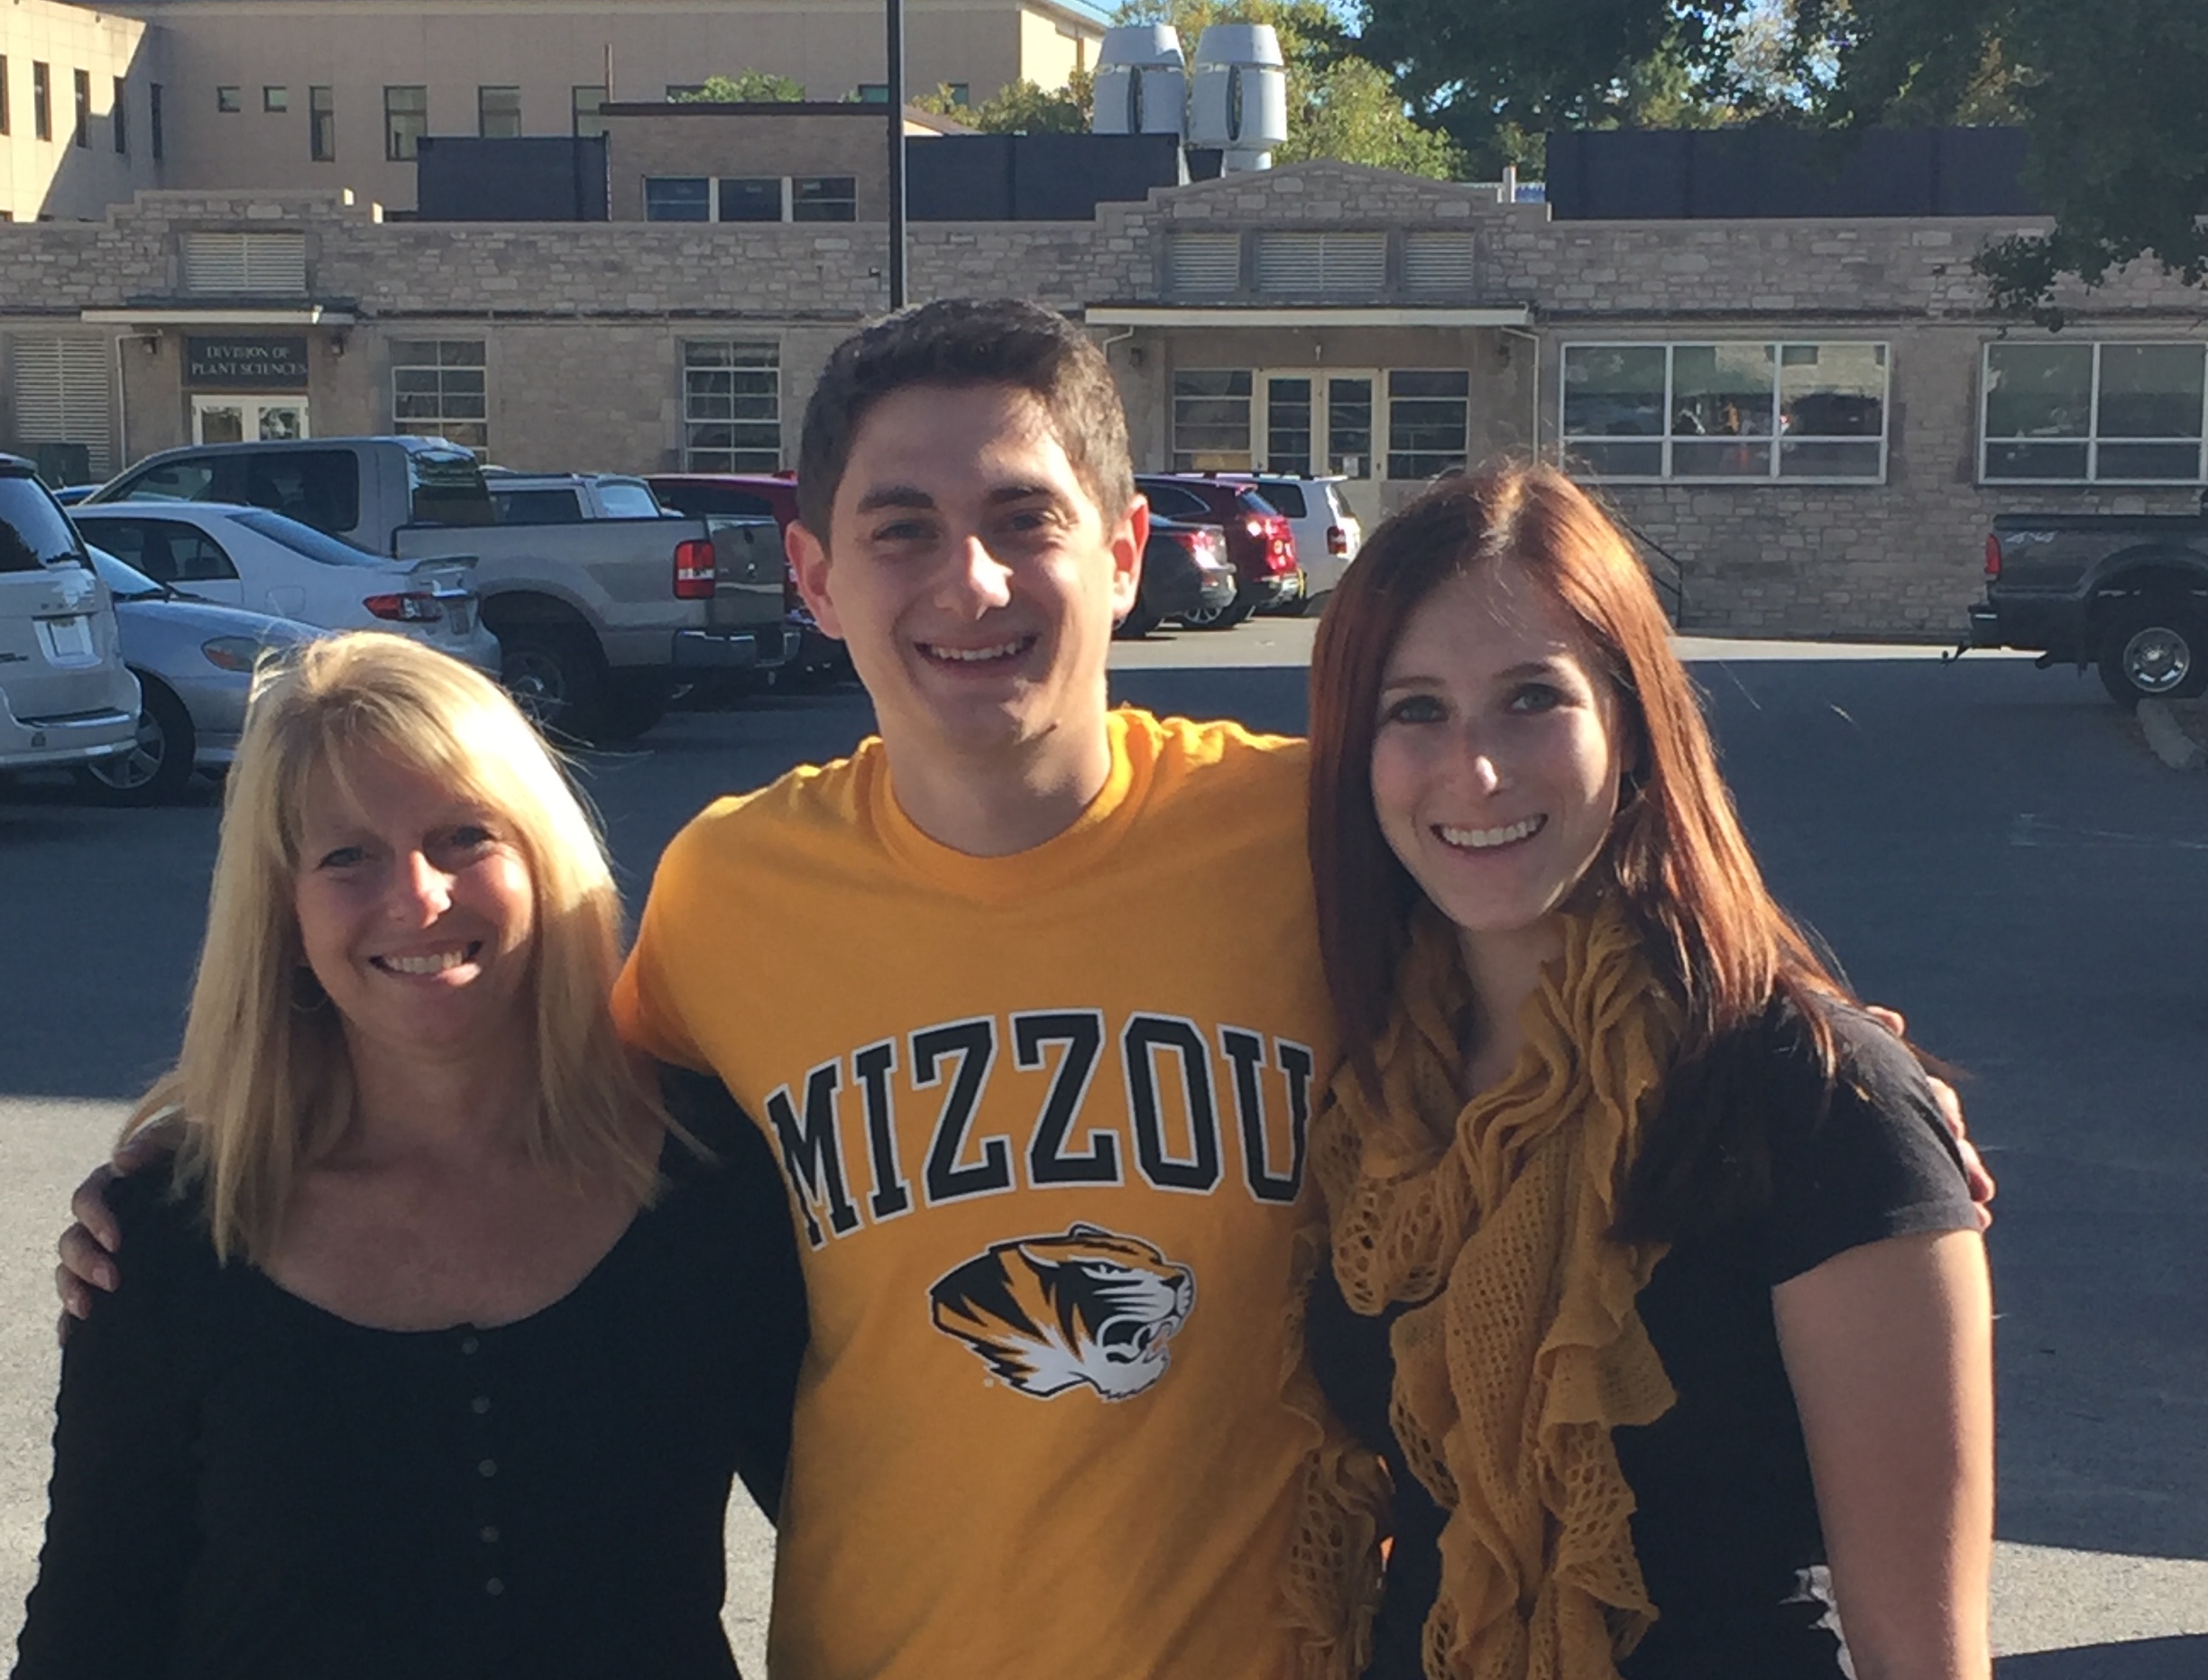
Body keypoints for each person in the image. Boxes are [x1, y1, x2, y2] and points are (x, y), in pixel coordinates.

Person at [54, 300, 1989, 1680]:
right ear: (813, 572)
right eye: (902, 527)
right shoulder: (732, 892)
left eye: (1023, 519)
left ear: (1128, 551)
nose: (967, 579)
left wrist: (1856, 1076)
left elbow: (1582, 908)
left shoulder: (1311, 840)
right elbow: (498, 1077)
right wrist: (187, 1164)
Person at [1300, 465, 1993, 1679]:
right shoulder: (1370, 1099)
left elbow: (1923, 1653)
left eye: (1531, 698)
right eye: (1415, 709)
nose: (1477, 769)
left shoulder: (1816, 1097)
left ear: (1630, 724)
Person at [21, 633, 805, 1680]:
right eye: (347, 855)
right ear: (283, 913)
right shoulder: (170, 1231)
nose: (420, 897)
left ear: (542, 860)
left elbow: (864, 1528)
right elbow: (89, 1630)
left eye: (463, 836)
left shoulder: (709, 1173)